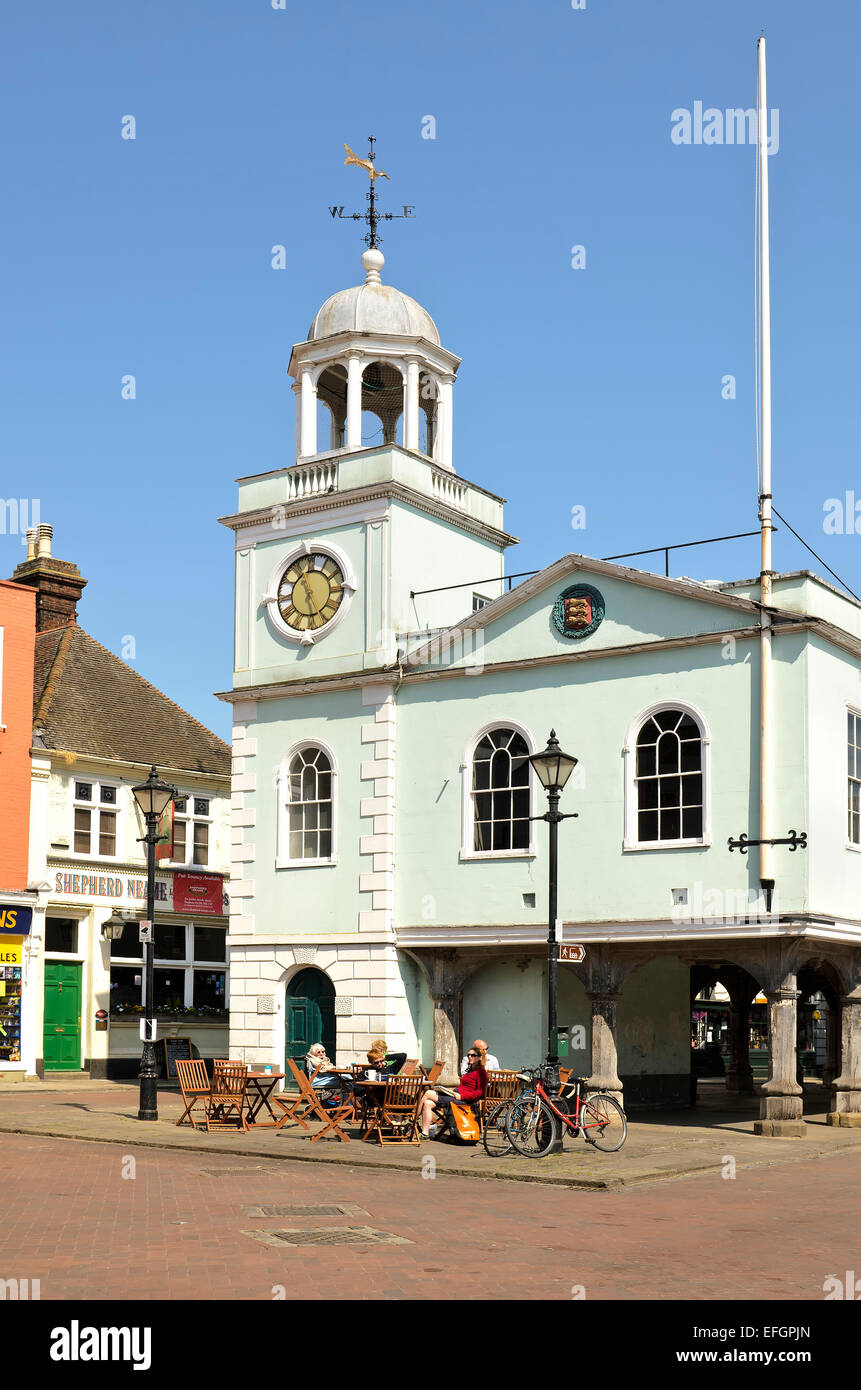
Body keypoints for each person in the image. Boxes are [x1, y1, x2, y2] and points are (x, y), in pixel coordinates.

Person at [419, 1044, 487, 1139]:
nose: (469, 1057)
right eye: (468, 1055)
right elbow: (464, 1087)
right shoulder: (471, 1070)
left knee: (428, 1093)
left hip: (463, 1101)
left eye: (473, 1055)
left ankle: (413, 1119)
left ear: (480, 1058)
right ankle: (425, 1133)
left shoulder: (481, 1072)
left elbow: (480, 1093)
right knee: (427, 1103)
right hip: (455, 1096)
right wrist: (450, 1091)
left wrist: (462, 1096)